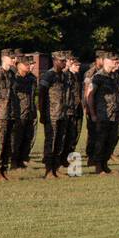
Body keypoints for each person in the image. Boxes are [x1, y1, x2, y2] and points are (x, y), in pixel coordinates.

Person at [86, 52, 119, 175]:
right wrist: (92, 114)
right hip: (102, 115)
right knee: (100, 141)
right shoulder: (98, 77)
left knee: (110, 140)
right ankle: (98, 166)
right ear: (106, 61)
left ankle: (105, 165)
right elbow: (90, 96)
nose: (115, 63)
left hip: (113, 115)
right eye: (113, 60)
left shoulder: (113, 76)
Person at [37, 51, 70, 179]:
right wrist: (42, 114)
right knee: (50, 142)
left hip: (62, 114)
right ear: (55, 61)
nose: (64, 63)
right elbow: (41, 95)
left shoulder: (63, 75)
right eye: (62, 61)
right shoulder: (48, 75)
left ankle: (56, 169)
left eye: (65, 61)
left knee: (59, 143)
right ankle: (48, 170)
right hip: (51, 115)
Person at [0, 49, 19, 181]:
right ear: (4, 58)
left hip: (11, 114)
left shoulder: (12, 74)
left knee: (8, 144)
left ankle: (4, 170)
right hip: (0, 115)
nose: (14, 60)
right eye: (12, 58)